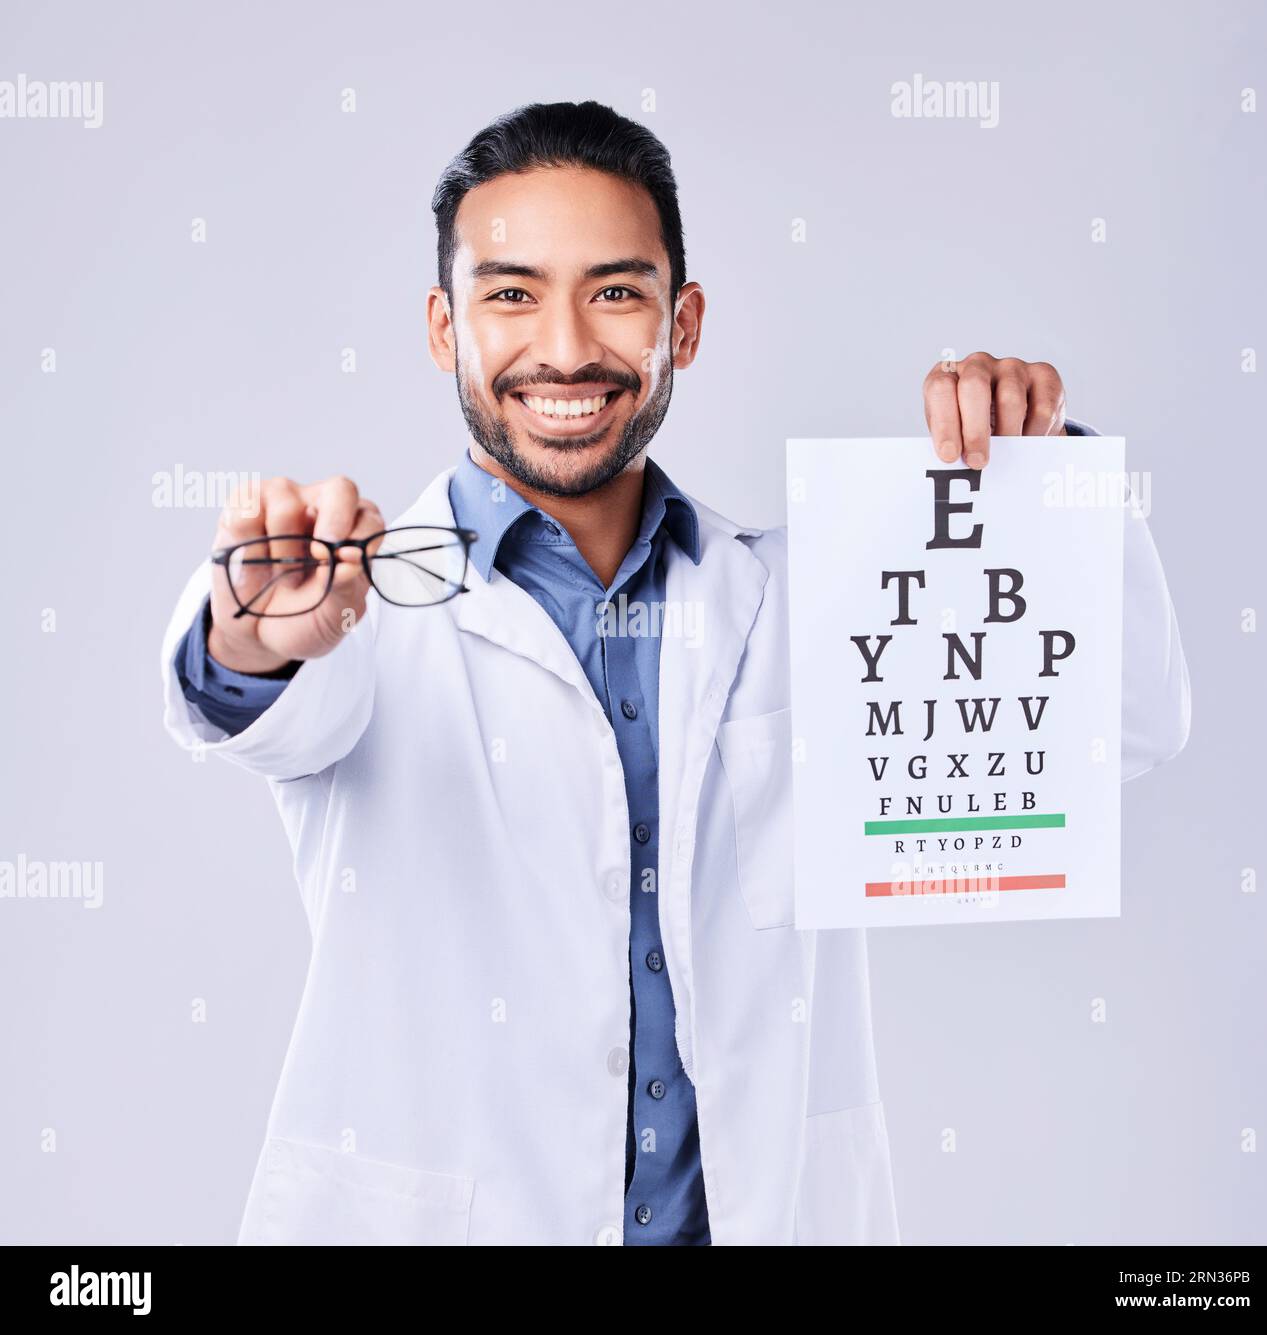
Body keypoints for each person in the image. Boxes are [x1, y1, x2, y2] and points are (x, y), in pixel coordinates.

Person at [159, 100, 1191, 1246]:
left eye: (615, 291)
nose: (562, 347)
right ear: (445, 328)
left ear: (682, 323)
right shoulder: (362, 608)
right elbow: (256, 698)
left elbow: (1121, 728)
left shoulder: (809, 600)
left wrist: (1045, 491)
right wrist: (252, 635)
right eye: (510, 293)